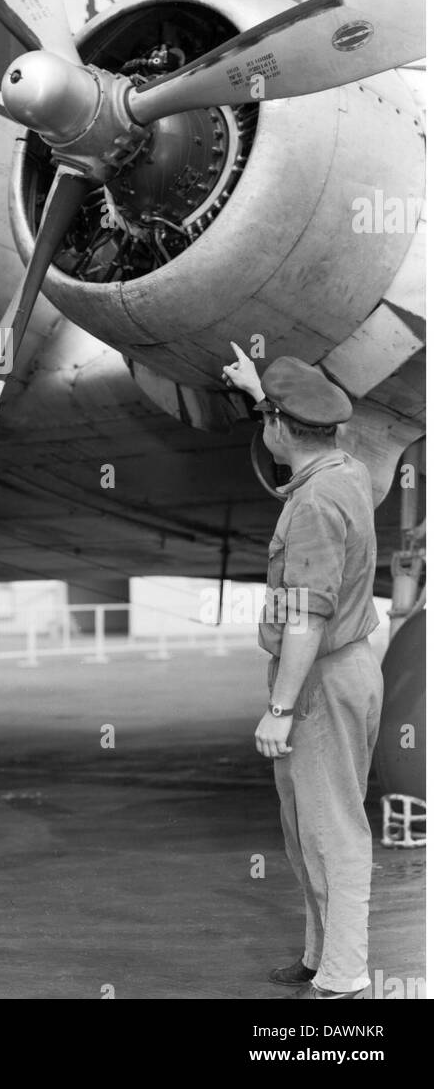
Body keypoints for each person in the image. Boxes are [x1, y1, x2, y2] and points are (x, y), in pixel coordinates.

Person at [222, 343, 383, 1000]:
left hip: (320, 677)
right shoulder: (346, 468)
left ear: (281, 429)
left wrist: (280, 709)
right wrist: (257, 392)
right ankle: (321, 956)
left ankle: (343, 979)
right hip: (341, 668)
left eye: (269, 419)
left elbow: (305, 619)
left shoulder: (314, 504)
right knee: (304, 828)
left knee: (332, 829)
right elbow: (297, 420)